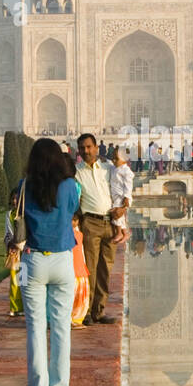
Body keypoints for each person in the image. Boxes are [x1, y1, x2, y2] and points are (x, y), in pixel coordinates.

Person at [16, 138, 80, 386]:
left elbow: (17, 217)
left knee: (35, 329)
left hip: (30, 262)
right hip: (63, 260)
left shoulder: (24, 186)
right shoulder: (68, 185)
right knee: (62, 329)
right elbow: (73, 210)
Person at [76, 133, 117, 325]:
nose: (86, 151)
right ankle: (86, 311)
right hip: (90, 223)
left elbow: (120, 191)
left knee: (105, 269)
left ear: (96, 148)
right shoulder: (76, 172)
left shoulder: (108, 169)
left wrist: (123, 209)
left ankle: (99, 311)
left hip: (110, 222)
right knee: (90, 269)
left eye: (89, 147)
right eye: (83, 148)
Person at [5, 185, 24, 316]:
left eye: (17, 198)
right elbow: (8, 231)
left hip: (26, 249)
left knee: (24, 279)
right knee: (14, 280)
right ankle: (15, 307)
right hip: (14, 251)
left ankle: (25, 307)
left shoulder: (25, 213)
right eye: (13, 199)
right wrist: (12, 244)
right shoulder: (10, 214)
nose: (15, 201)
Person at [109, 145, 134, 245]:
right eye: (113, 158)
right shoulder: (115, 168)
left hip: (122, 196)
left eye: (116, 159)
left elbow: (128, 184)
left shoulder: (125, 170)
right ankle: (124, 233)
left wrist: (127, 196)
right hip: (116, 195)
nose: (114, 161)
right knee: (120, 217)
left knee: (116, 214)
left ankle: (119, 232)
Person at [70, 214, 90, 328]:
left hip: (80, 269)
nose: (73, 222)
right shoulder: (64, 235)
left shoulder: (80, 235)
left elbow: (81, 252)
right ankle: (70, 319)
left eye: (75, 220)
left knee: (81, 296)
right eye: (71, 220)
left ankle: (77, 320)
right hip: (70, 270)